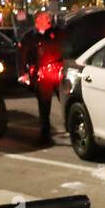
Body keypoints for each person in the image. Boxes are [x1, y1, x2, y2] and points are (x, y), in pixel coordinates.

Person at [21, 11, 62, 144]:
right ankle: (45, 134)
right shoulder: (29, 37)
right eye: (44, 18)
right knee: (44, 106)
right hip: (42, 75)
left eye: (48, 17)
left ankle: (72, 127)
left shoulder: (57, 33)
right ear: (37, 20)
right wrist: (23, 73)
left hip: (59, 72)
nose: (48, 20)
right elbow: (21, 55)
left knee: (68, 100)